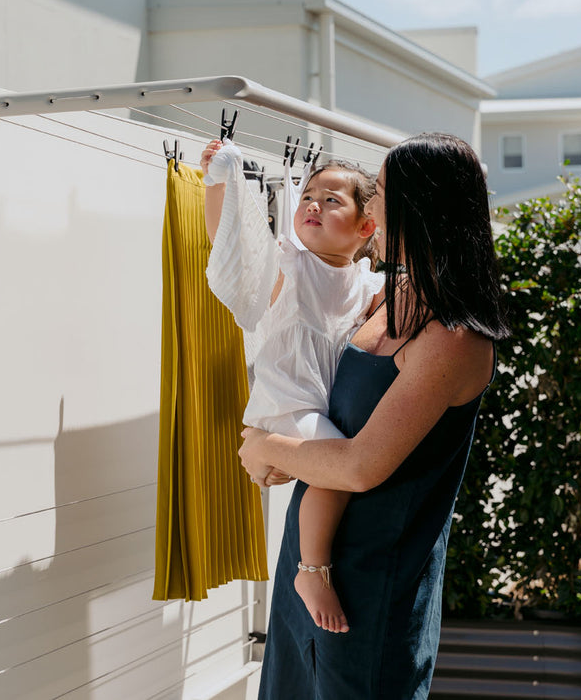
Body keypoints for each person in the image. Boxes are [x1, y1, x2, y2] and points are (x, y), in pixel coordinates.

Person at [238, 132, 510, 698]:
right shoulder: (386, 295)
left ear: (418, 206)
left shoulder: (454, 338)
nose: (374, 203)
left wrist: (263, 448)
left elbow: (361, 465)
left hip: (372, 580)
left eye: (381, 191)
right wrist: (298, 455)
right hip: (308, 559)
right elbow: (337, 417)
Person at [199, 138, 384, 634]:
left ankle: (309, 553)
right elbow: (231, 245)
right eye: (308, 197)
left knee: (333, 462)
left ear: (366, 227)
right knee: (335, 464)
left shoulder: (367, 283)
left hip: (321, 407)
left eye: (331, 200)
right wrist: (219, 182)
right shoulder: (292, 263)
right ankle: (311, 572)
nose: (312, 206)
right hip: (286, 403)